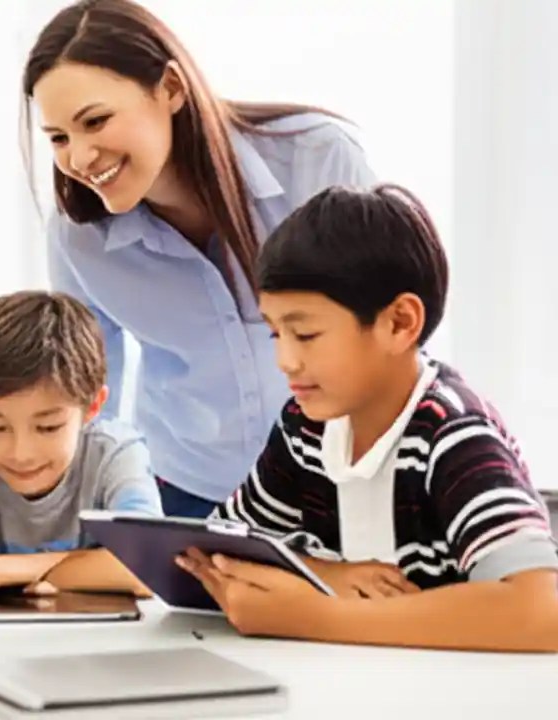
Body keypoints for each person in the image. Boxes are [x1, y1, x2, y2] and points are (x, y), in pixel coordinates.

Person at [24, 0, 377, 517]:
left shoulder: (317, 159)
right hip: (187, 495)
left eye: (95, 121)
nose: (77, 158)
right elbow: (89, 399)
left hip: (344, 481)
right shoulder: (79, 238)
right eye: (58, 138)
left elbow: (390, 341)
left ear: (170, 88)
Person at [178, 185, 558, 652]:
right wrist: (326, 575)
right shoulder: (306, 427)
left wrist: (317, 616)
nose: (285, 360)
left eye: (305, 333)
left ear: (399, 323)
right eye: (276, 333)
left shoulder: (454, 434)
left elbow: (543, 610)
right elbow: (220, 549)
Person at [0, 291, 160, 607]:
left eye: (48, 427)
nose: (22, 453)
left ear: (92, 407)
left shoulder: (116, 453)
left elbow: (148, 568)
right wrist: (44, 570)